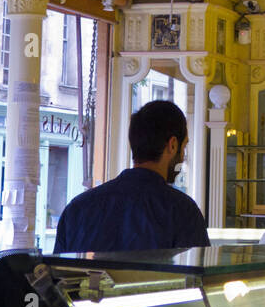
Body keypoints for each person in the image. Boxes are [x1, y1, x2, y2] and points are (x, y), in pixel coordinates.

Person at [54, 101, 210, 253]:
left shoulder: (77, 209)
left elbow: (59, 275)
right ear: (173, 145)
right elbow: (196, 277)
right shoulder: (183, 212)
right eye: (184, 147)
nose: (183, 157)